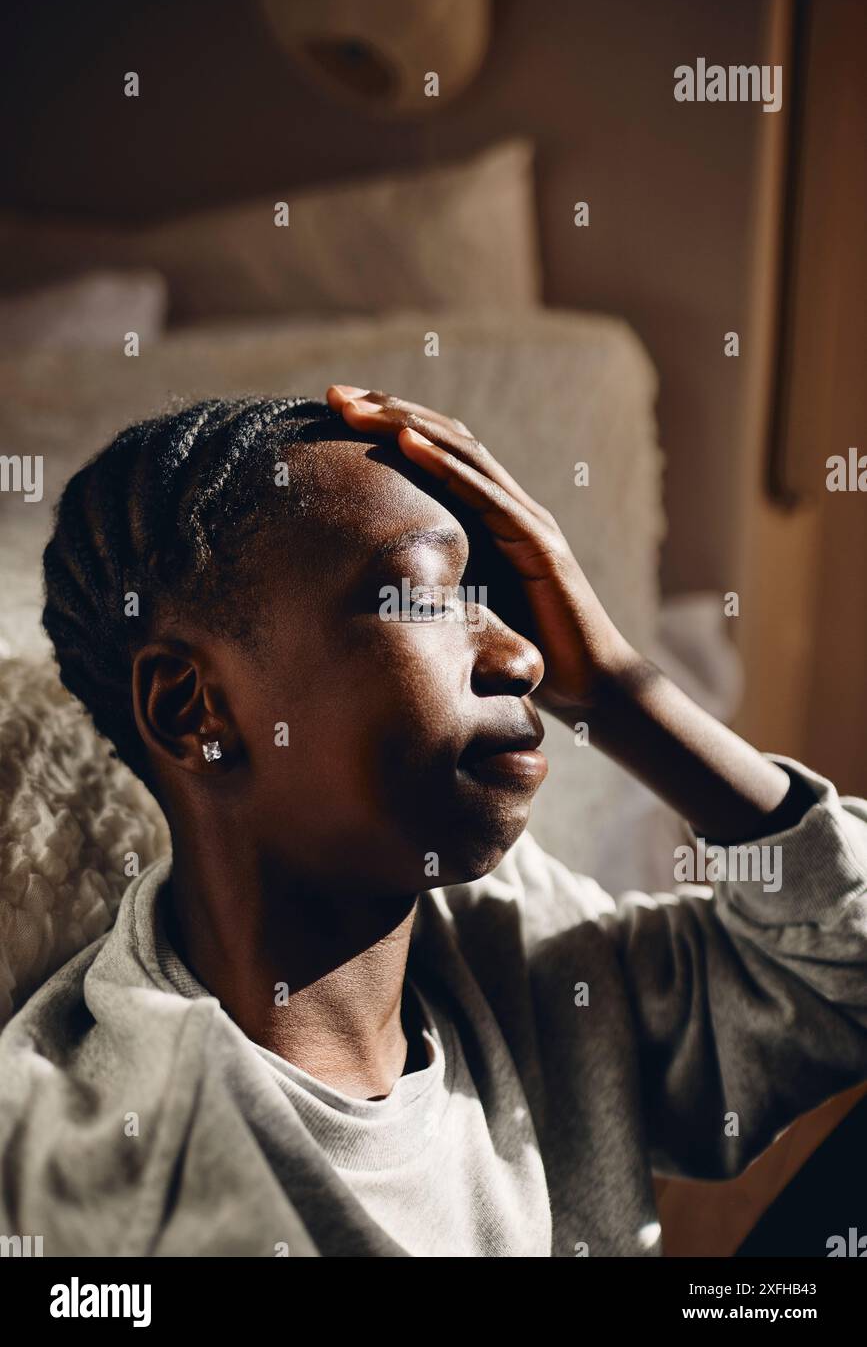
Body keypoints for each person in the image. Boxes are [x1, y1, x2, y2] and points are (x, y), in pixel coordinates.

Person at [1, 385, 865, 1258]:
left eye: (499, 602)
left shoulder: (505, 945)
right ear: (193, 709)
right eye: (424, 597)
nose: (524, 656)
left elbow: (847, 976)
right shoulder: (121, 1172)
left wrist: (613, 687)